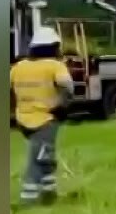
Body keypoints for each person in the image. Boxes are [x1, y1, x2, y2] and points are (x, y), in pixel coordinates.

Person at [11, 27, 74, 204]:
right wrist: (62, 107)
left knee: (46, 157)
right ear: (53, 46)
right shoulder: (55, 65)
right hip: (45, 120)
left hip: (23, 120)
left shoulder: (19, 67)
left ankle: (49, 194)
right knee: (39, 160)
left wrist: (15, 111)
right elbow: (68, 88)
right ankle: (28, 200)